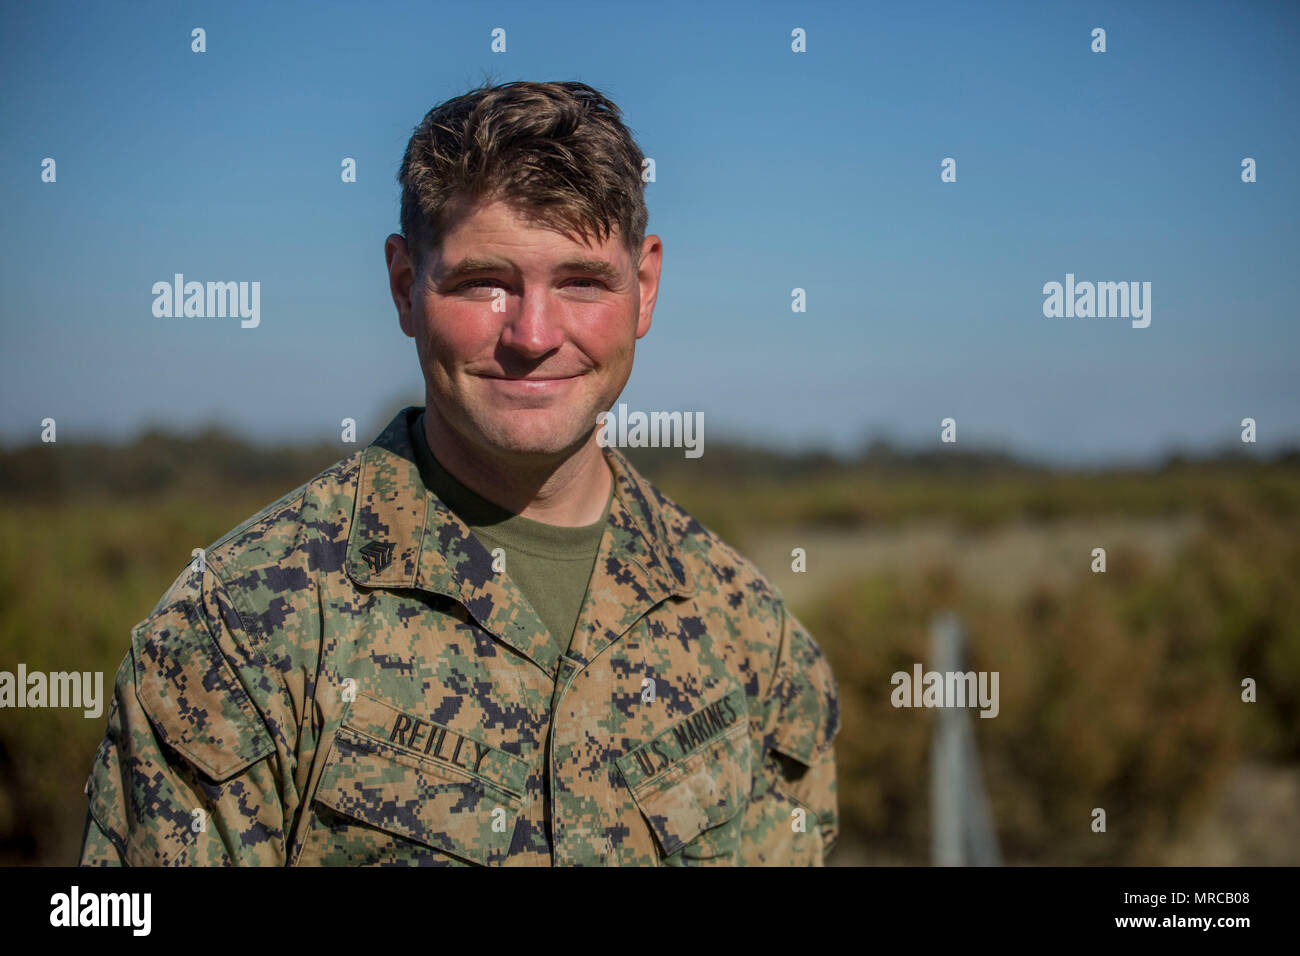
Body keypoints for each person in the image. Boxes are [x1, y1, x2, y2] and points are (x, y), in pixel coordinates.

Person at [78, 79, 840, 866]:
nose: (533, 335)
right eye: (485, 283)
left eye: (581, 281)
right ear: (406, 286)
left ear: (643, 288)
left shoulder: (750, 634)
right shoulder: (236, 631)